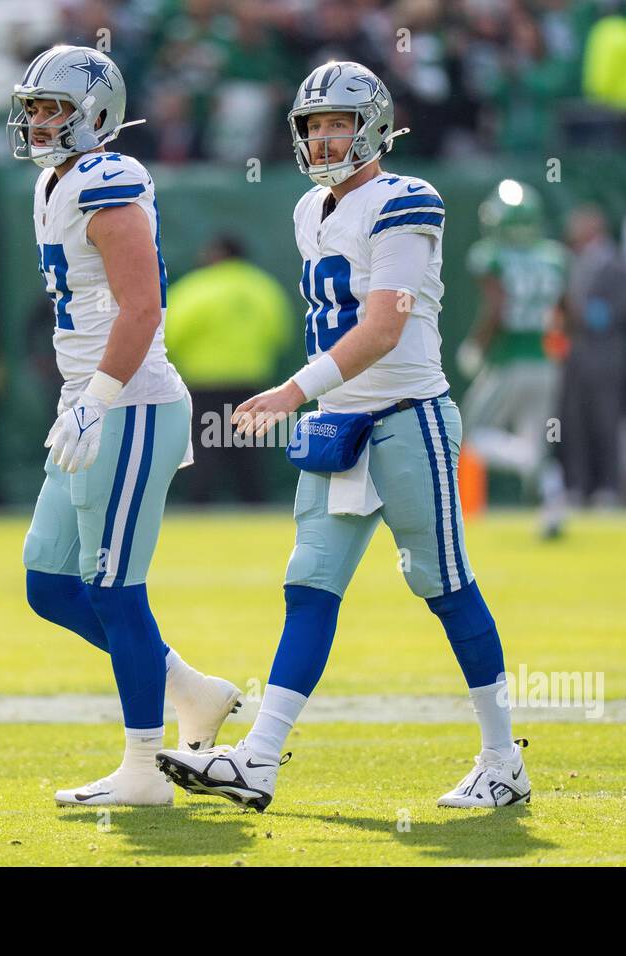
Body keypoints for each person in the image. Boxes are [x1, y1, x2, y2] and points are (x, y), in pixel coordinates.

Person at [155, 61, 529, 812]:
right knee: (308, 585)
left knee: (444, 584)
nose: (325, 140)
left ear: (376, 128)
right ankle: (259, 758)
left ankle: (502, 761)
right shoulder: (307, 211)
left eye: (339, 125)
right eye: (314, 127)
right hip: (339, 428)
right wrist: (317, 403)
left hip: (406, 418)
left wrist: (297, 389)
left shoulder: (406, 198)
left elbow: (385, 325)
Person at [9, 45, 241, 807]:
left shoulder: (110, 179)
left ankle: (144, 771)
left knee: (115, 588)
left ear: (96, 114)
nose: (38, 121)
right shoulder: (55, 182)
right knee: (49, 583)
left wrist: (98, 397)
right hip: (91, 401)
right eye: (34, 106)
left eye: (53, 108)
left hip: (130, 403)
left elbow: (142, 308)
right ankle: (189, 690)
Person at [458, 180, 569, 537]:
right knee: (537, 440)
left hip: (510, 360)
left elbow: (497, 307)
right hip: (546, 361)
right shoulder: (553, 257)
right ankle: (552, 511)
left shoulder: (492, 255)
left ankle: (529, 462)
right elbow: (569, 313)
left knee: (471, 434)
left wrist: (476, 345)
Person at [163, 234, 294, 503]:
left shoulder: (196, 287)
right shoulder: (263, 288)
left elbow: (169, 333)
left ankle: (200, 503)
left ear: (215, 254)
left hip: (204, 380)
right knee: (248, 445)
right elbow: (282, 333)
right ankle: (255, 503)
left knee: (204, 445)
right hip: (251, 379)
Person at [558, 204, 626, 506]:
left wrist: (595, 315)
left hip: (608, 354)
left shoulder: (615, 263)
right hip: (576, 353)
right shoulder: (571, 262)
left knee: (606, 421)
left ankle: (609, 487)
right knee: (574, 422)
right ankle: (577, 485)